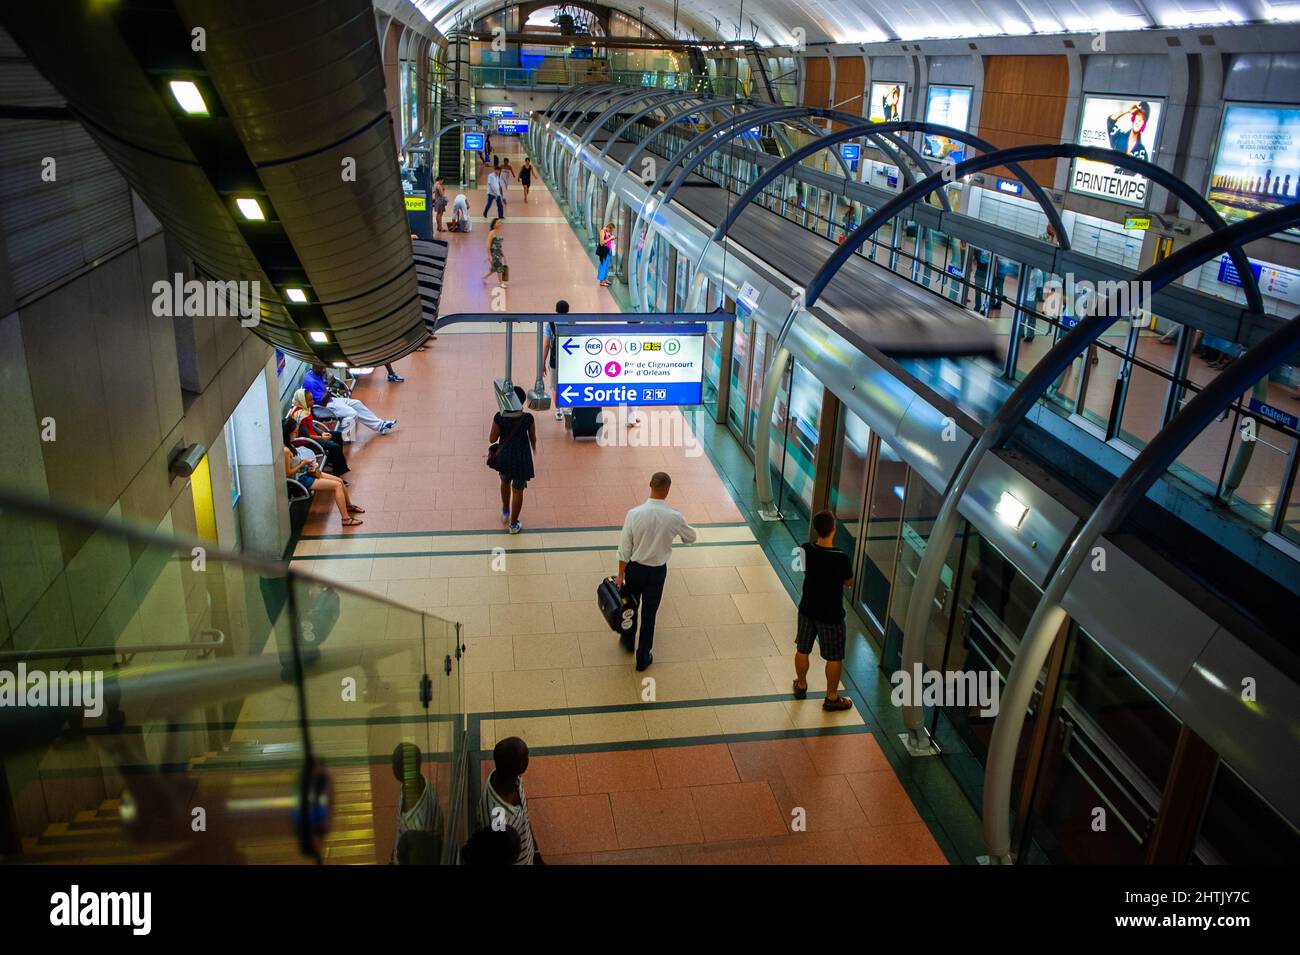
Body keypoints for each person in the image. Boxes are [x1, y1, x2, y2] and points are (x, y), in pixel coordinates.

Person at [615, 472, 697, 671]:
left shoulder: (634, 514)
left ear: (650, 485)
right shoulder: (674, 517)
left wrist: (620, 575)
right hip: (657, 573)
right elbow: (691, 537)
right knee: (649, 614)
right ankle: (643, 657)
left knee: (631, 606)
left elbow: (624, 548)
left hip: (634, 570)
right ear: (667, 489)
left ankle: (627, 640)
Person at [792, 510, 854, 712]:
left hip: (808, 608)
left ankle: (801, 685)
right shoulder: (841, 558)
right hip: (831, 615)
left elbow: (804, 568)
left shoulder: (806, 549)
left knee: (803, 649)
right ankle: (831, 697)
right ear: (833, 529)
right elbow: (849, 582)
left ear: (817, 529)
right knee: (834, 657)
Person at [283, 418, 365, 526]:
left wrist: (305, 464)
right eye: (294, 432)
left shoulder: (290, 445)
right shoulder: (286, 450)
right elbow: (288, 473)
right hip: (301, 479)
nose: (297, 434)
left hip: (306, 472)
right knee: (337, 486)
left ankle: (348, 506)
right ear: (287, 433)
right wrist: (303, 464)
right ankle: (345, 519)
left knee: (339, 481)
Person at [477, 736, 541, 865]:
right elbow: (499, 856)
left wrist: (535, 850)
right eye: (526, 756)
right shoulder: (497, 816)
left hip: (528, 855)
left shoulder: (514, 779)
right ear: (521, 765)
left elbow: (525, 818)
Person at [302, 363, 397, 436]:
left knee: (357, 403)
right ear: (315, 367)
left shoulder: (313, 373)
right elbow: (322, 402)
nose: (324, 370)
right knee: (352, 414)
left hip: (330, 399)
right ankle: (346, 437)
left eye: (324, 368)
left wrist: (337, 390)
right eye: (322, 368)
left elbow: (323, 390)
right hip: (323, 407)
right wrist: (330, 387)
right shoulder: (311, 382)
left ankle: (380, 426)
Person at [490, 385, 536, 534]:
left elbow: (492, 439)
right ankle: (514, 524)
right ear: (522, 402)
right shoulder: (528, 418)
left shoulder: (499, 417)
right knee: (518, 490)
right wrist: (533, 448)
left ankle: (505, 511)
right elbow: (533, 439)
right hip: (522, 458)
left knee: (504, 482)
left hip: (505, 458)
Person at [390, 742, 443, 865]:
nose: (392, 767)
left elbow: (419, 856)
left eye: (395, 765)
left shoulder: (418, 823)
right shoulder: (416, 782)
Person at [289, 388, 348, 477]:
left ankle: (335, 460)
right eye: (310, 400)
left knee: (337, 435)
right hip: (306, 442)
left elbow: (311, 425)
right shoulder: (301, 415)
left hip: (312, 436)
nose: (313, 402)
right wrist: (321, 437)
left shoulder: (305, 409)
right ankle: (338, 472)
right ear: (303, 401)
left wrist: (321, 433)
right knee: (334, 447)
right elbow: (306, 436)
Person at [541, 300, 568, 421]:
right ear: (568, 310)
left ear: (556, 310)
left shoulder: (550, 324)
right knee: (569, 382)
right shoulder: (572, 321)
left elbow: (546, 345)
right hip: (570, 360)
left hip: (555, 360)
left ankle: (559, 411)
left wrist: (542, 363)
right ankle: (570, 408)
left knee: (556, 386)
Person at [481, 217, 508, 289]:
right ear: (494, 224)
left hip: (498, 252)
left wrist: (502, 253)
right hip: (494, 253)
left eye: (500, 222)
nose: (500, 223)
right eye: (498, 222)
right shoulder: (492, 232)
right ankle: (501, 283)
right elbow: (488, 245)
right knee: (499, 267)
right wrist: (489, 255)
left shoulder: (499, 232)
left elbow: (499, 244)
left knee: (494, 268)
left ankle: (484, 277)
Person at [596, 222, 616, 286]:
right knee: (603, 265)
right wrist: (610, 238)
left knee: (607, 266)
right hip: (604, 251)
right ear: (609, 228)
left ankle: (604, 279)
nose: (611, 231)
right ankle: (601, 281)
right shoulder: (602, 231)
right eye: (611, 230)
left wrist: (611, 238)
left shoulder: (608, 232)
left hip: (608, 251)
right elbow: (602, 242)